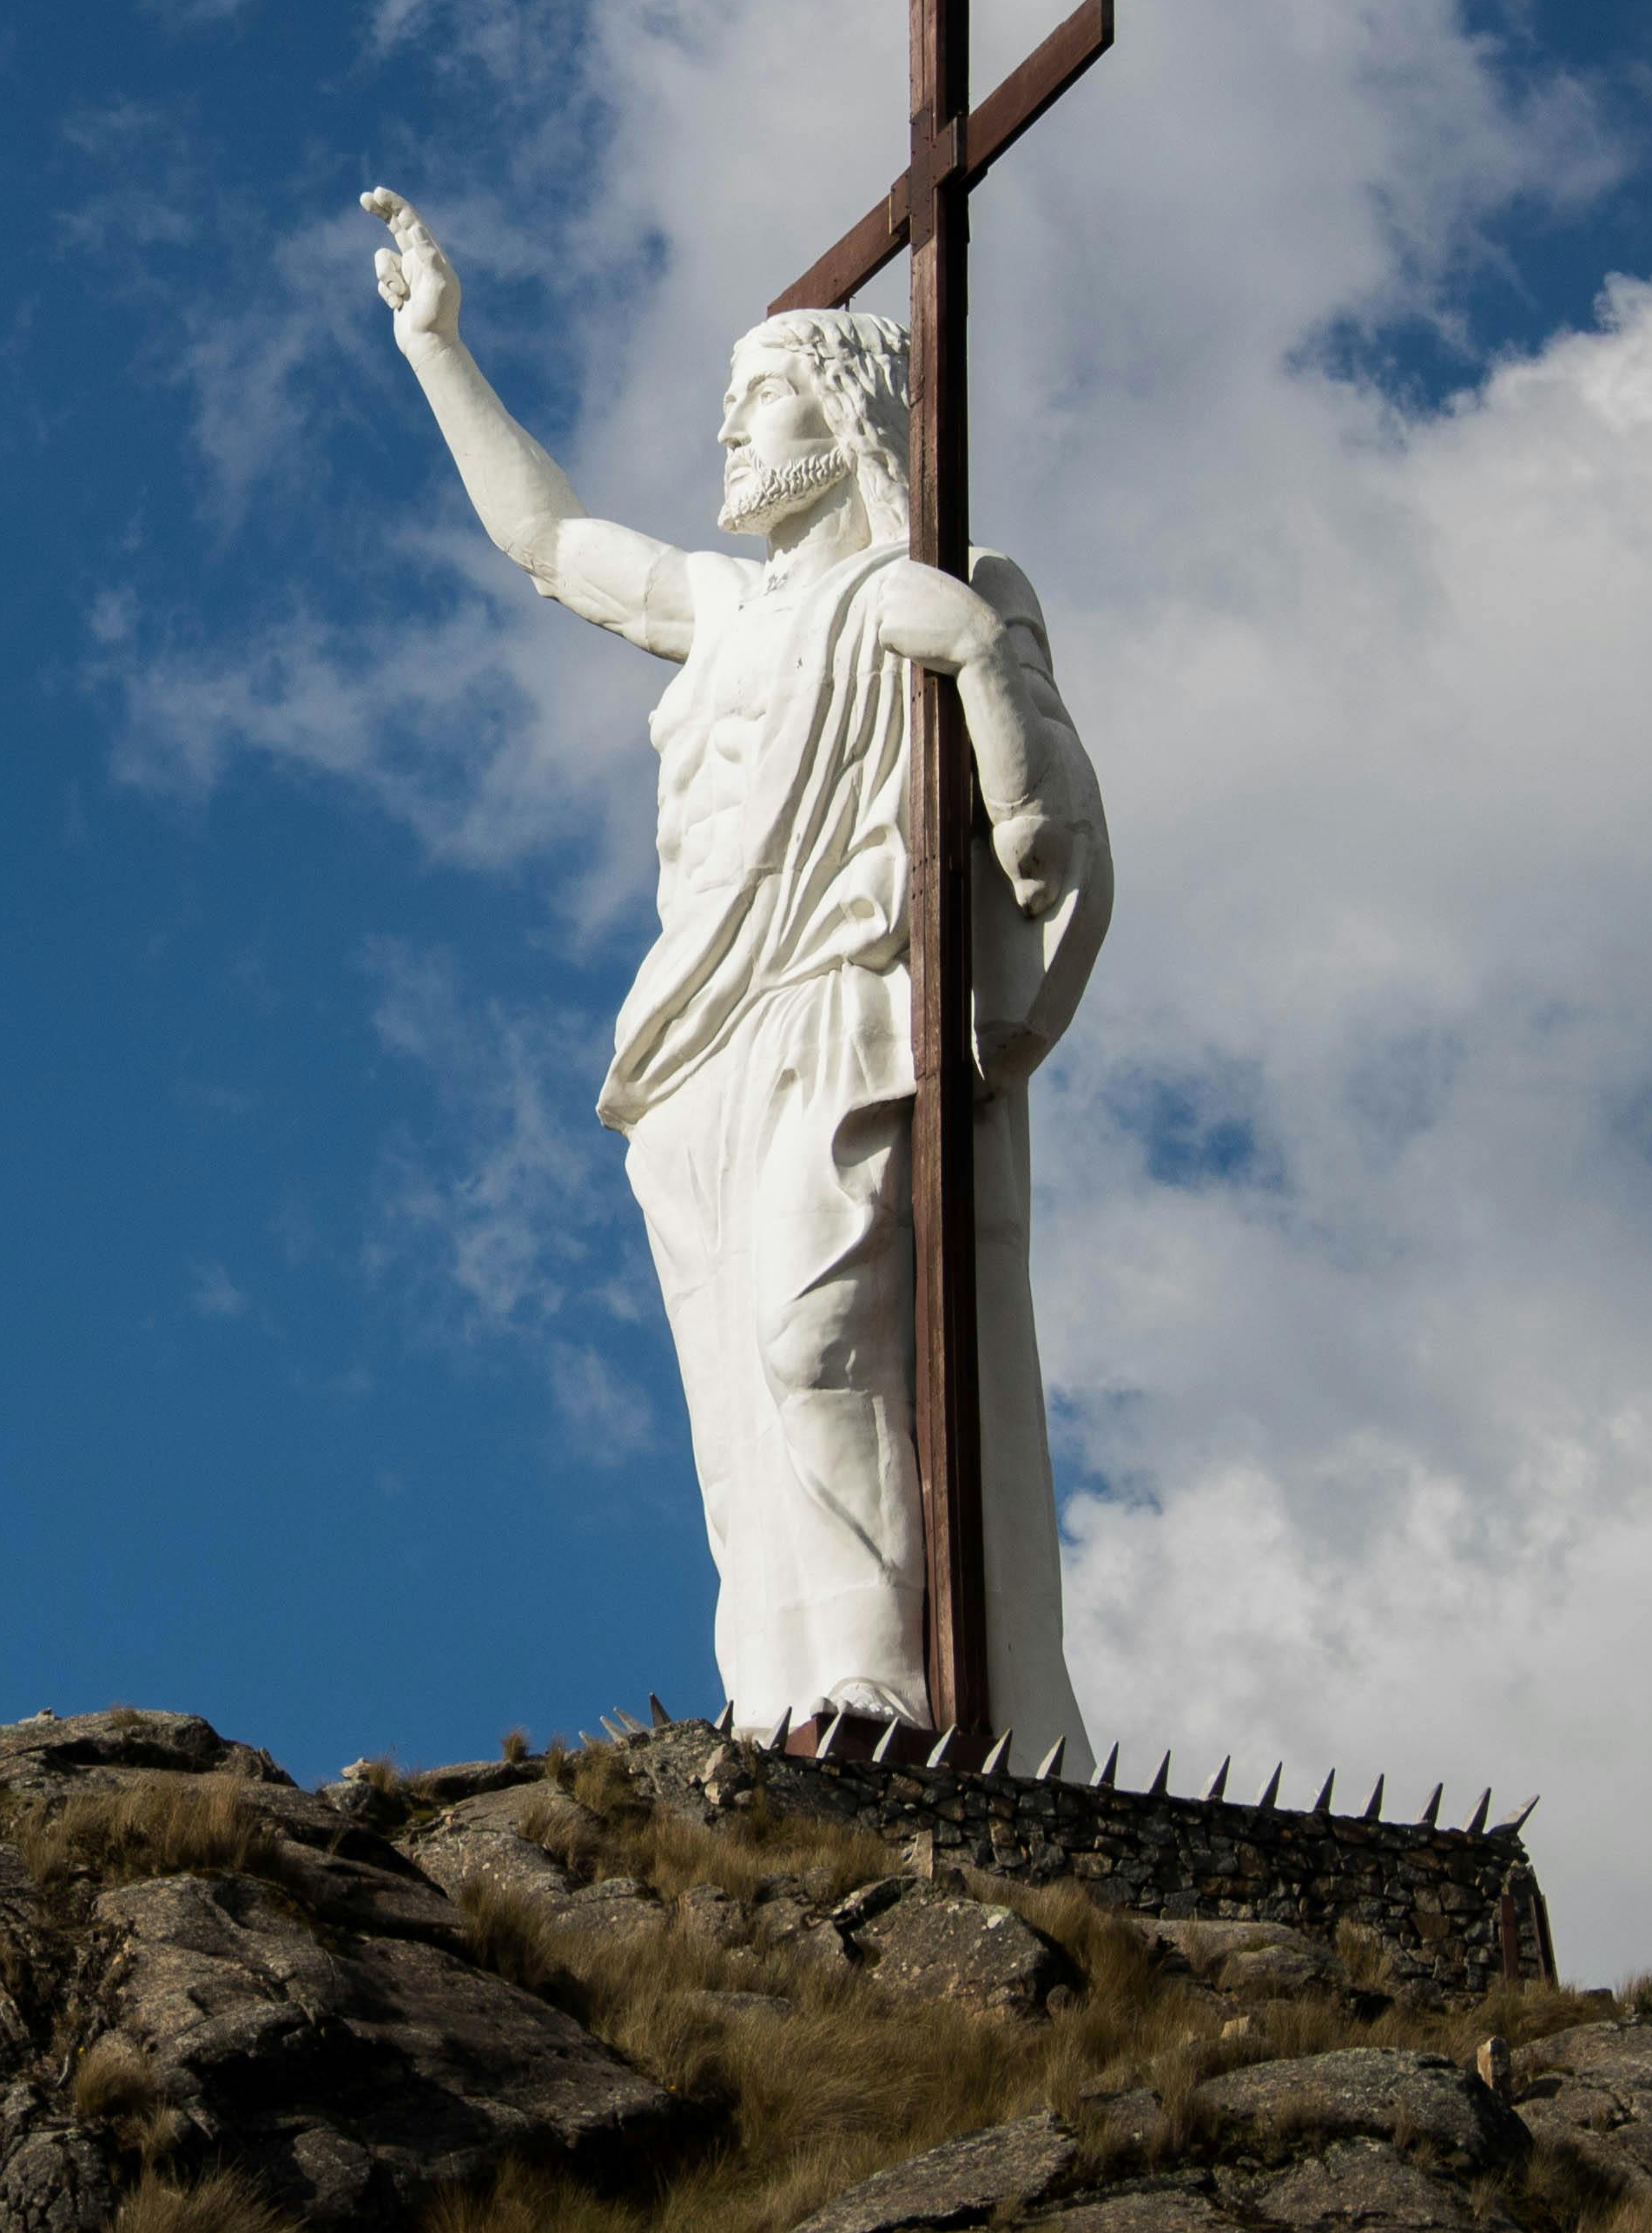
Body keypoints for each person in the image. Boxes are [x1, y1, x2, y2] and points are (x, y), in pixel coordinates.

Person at [364, 187, 1107, 1760]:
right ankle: (793, 1699)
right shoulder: (728, 609)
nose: (723, 444)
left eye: (751, 405)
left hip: (854, 991)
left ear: (845, 415)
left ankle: (883, 1688)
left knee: (819, 1334)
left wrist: (972, 654)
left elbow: (1058, 850)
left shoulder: (953, 583)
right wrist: (440, 350)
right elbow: (550, 541)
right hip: (700, 1036)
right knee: (737, 1402)